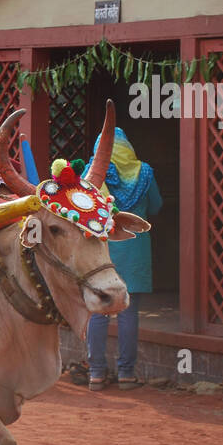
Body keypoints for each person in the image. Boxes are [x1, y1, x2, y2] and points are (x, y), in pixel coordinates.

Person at [83, 128, 163, 391]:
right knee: (128, 312)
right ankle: (126, 374)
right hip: (135, 249)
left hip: (102, 251)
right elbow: (156, 206)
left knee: (99, 312)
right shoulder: (145, 173)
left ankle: (96, 373)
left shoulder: (93, 174)